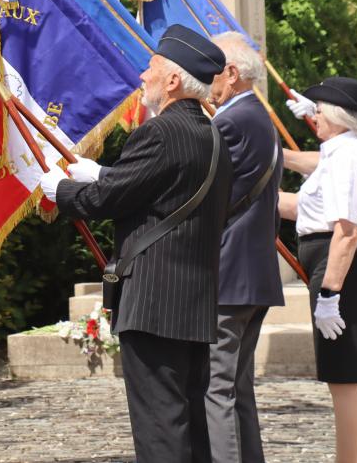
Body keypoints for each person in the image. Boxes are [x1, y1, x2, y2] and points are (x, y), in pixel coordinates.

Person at [39, 24, 233, 463]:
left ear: (173, 80)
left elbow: (106, 201)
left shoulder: (160, 132)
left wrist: (59, 190)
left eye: (151, 67)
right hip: (192, 301)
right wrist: (102, 172)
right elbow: (160, 190)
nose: (142, 76)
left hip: (155, 303)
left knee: (160, 429)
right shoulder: (212, 135)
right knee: (188, 424)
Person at [278, 76, 357, 463]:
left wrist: (329, 294)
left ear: (340, 116)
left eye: (320, 109)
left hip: (340, 263)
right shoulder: (353, 150)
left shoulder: (343, 157)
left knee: (342, 376)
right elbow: (308, 210)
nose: (314, 116)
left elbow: (345, 231)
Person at [204, 33, 284, 463]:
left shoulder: (230, 121)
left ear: (232, 74)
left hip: (230, 272)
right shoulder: (259, 116)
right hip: (252, 271)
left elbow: (212, 197)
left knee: (216, 388)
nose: (206, 79)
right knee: (237, 386)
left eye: (212, 70)